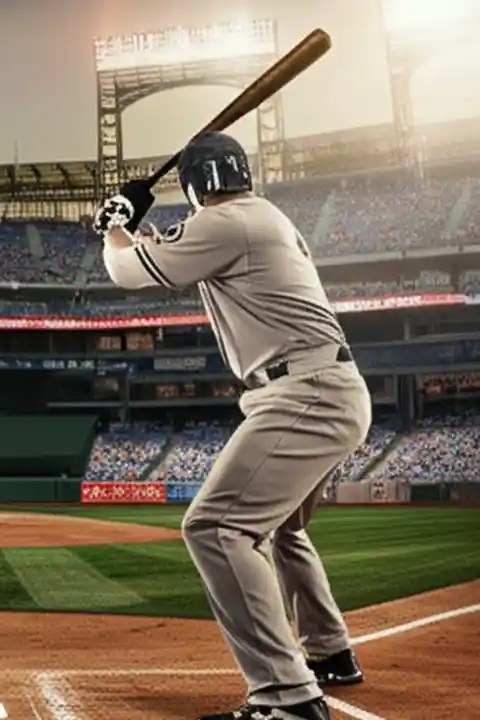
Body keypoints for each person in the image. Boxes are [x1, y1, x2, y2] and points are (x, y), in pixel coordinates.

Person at [92, 131, 369, 720]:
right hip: (328, 388)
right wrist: (136, 225)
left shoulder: (224, 224)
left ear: (193, 188)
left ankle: (286, 696)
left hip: (304, 393)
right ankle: (329, 652)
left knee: (215, 527)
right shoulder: (261, 214)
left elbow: (126, 271)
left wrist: (116, 221)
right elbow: (175, 249)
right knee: (282, 529)